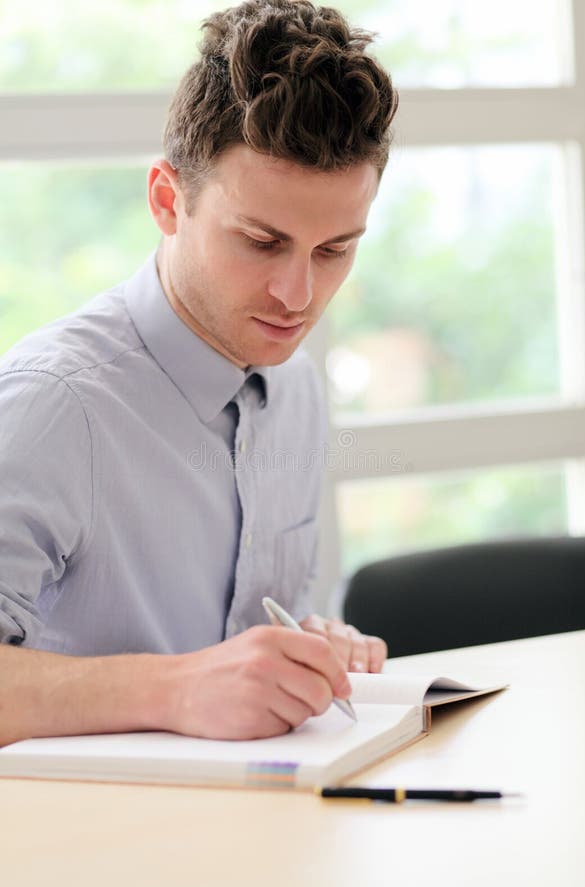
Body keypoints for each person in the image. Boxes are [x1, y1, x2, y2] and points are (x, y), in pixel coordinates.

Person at [0, 0, 397, 746]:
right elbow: (199, 684)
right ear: (166, 200)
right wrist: (177, 687)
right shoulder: (54, 403)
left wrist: (304, 655)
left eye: (334, 250)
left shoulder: (295, 387)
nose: (298, 296)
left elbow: (245, 641)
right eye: (260, 241)